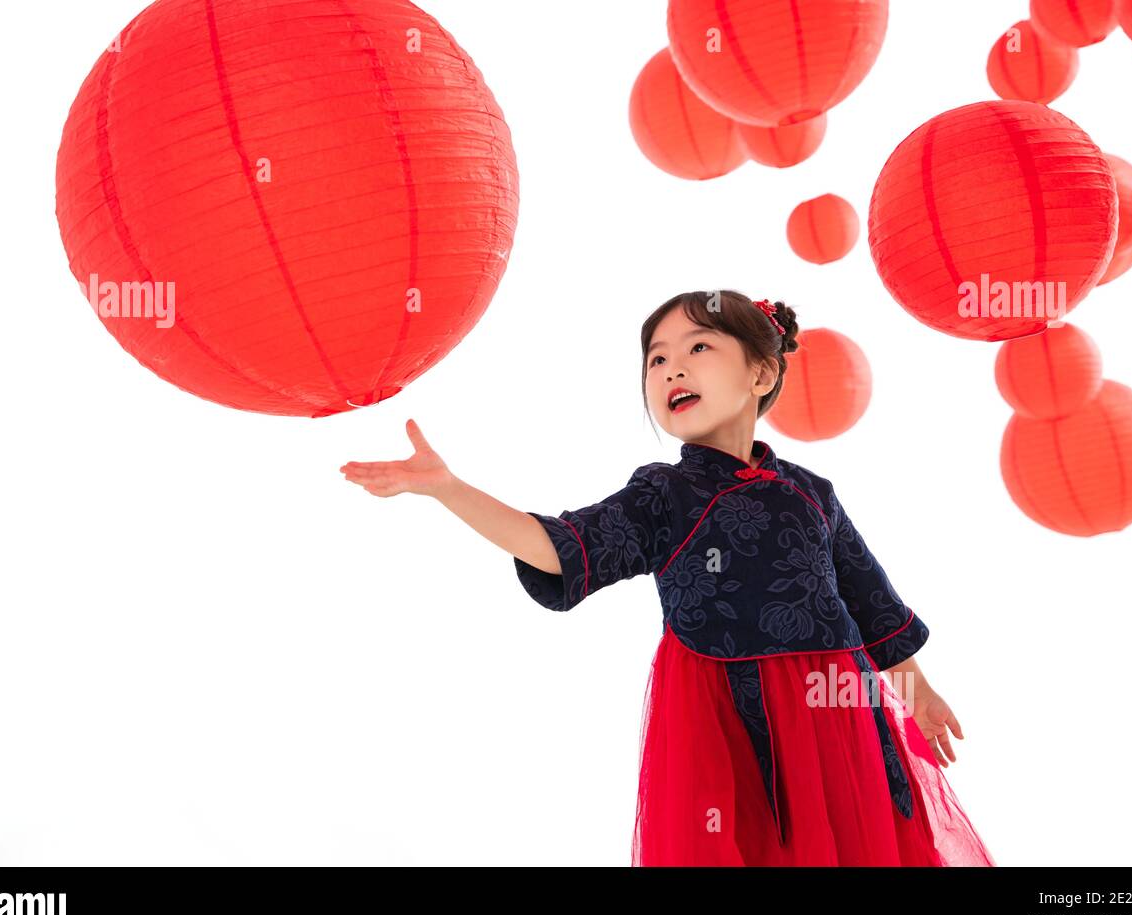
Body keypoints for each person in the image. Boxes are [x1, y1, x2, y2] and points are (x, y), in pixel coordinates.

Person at [341, 289, 996, 866]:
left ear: (761, 372)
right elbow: (561, 546)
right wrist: (450, 490)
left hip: (838, 711)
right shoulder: (665, 495)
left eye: (698, 347)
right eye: (656, 359)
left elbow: (868, 599)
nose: (671, 368)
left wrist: (919, 691)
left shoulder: (813, 492)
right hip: (731, 713)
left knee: (864, 844)